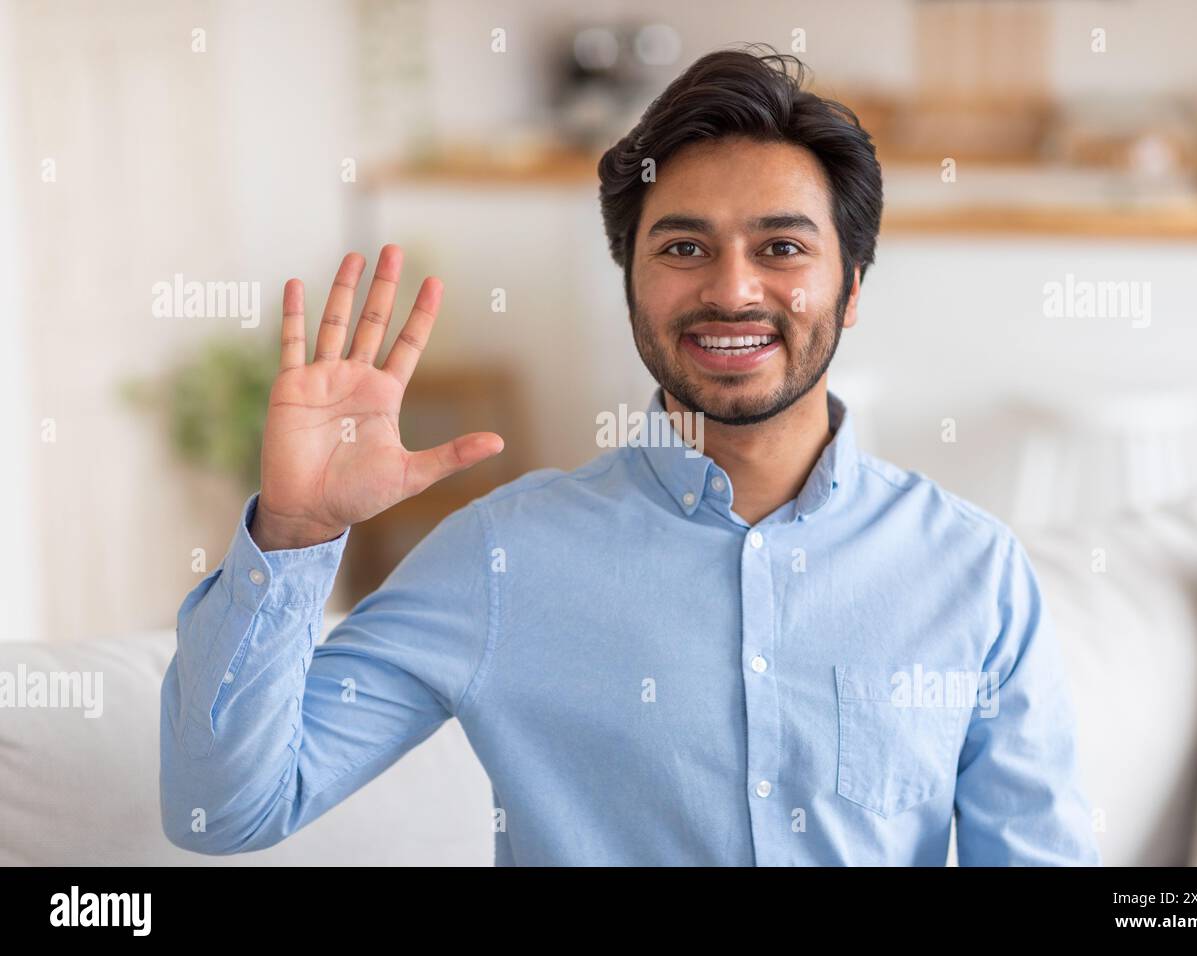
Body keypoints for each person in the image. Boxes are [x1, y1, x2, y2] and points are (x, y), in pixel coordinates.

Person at [160, 45, 1101, 866]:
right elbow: (226, 812)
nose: (733, 291)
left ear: (851, 287)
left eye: (781, 247)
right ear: (631, 288)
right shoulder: (502, 559)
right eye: (684, 248)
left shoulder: (974, 573)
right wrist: (292, 531)